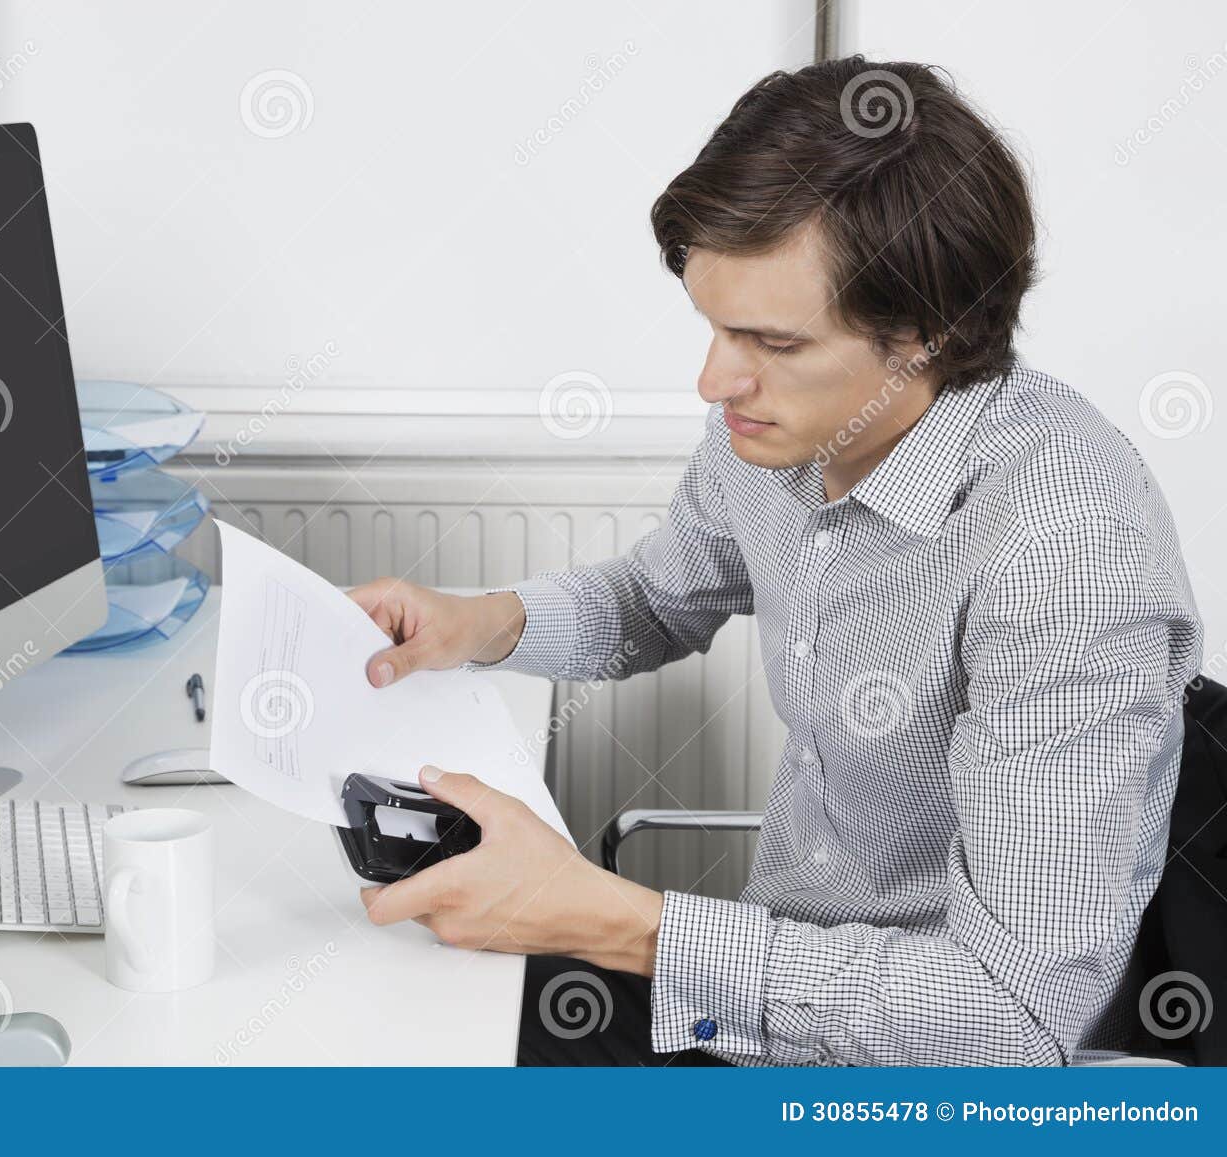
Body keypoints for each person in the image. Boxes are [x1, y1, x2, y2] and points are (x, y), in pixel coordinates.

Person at [345, 56, 1203, 1066]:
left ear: (926, 336)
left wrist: (613, 921)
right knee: (392, 1025)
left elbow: (1013, 1018)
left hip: (924, 1079)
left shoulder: (1068, 552)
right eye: (713, 326)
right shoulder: (781, 430)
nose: (715, 380)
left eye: (773, 342)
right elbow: (659, 596)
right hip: (764, 996)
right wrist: (480, 622)